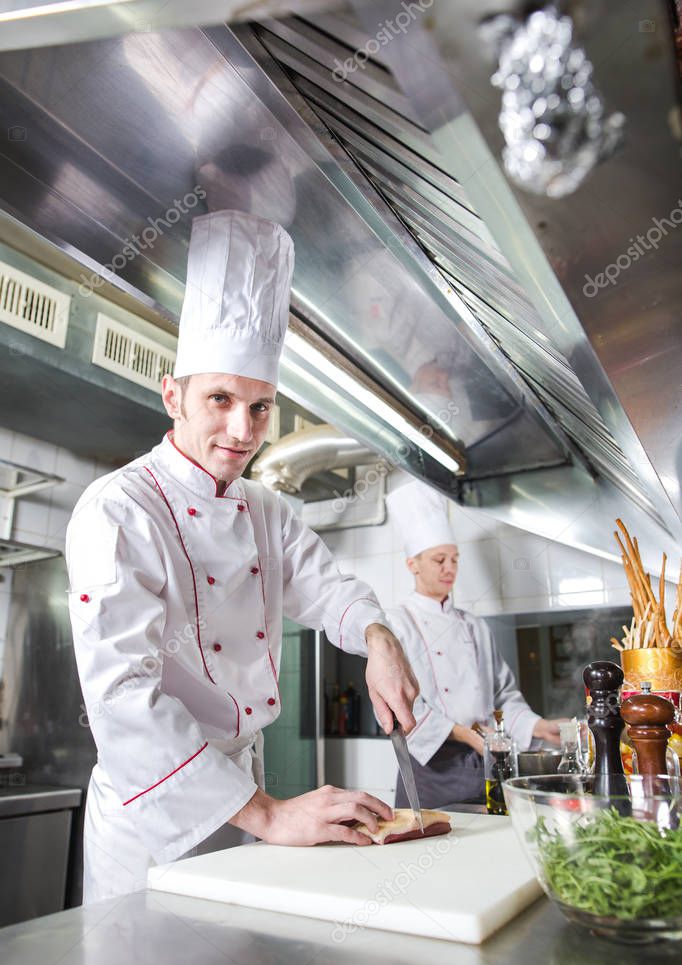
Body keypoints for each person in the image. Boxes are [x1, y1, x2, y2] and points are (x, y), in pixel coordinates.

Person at [66, 210, 418, 903]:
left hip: (247, 800)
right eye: (220, 398)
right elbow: (121, 698)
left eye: (260, 407)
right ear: (173, 395)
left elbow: (330, 588)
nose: (241, 429)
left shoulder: (265, 511)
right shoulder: (118, 510)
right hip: (153, 820)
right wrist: (270, 813)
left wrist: (379, 637)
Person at [385, 480, 563, 808]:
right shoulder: (395, 624)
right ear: (413, 564)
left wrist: (539, 726)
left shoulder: (475, 626)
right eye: (439, 560)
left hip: (485, 763)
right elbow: (401, 705)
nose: (450, 568)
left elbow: (504, 697)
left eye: (454, 559)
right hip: (431, 769)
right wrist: (466, 734)